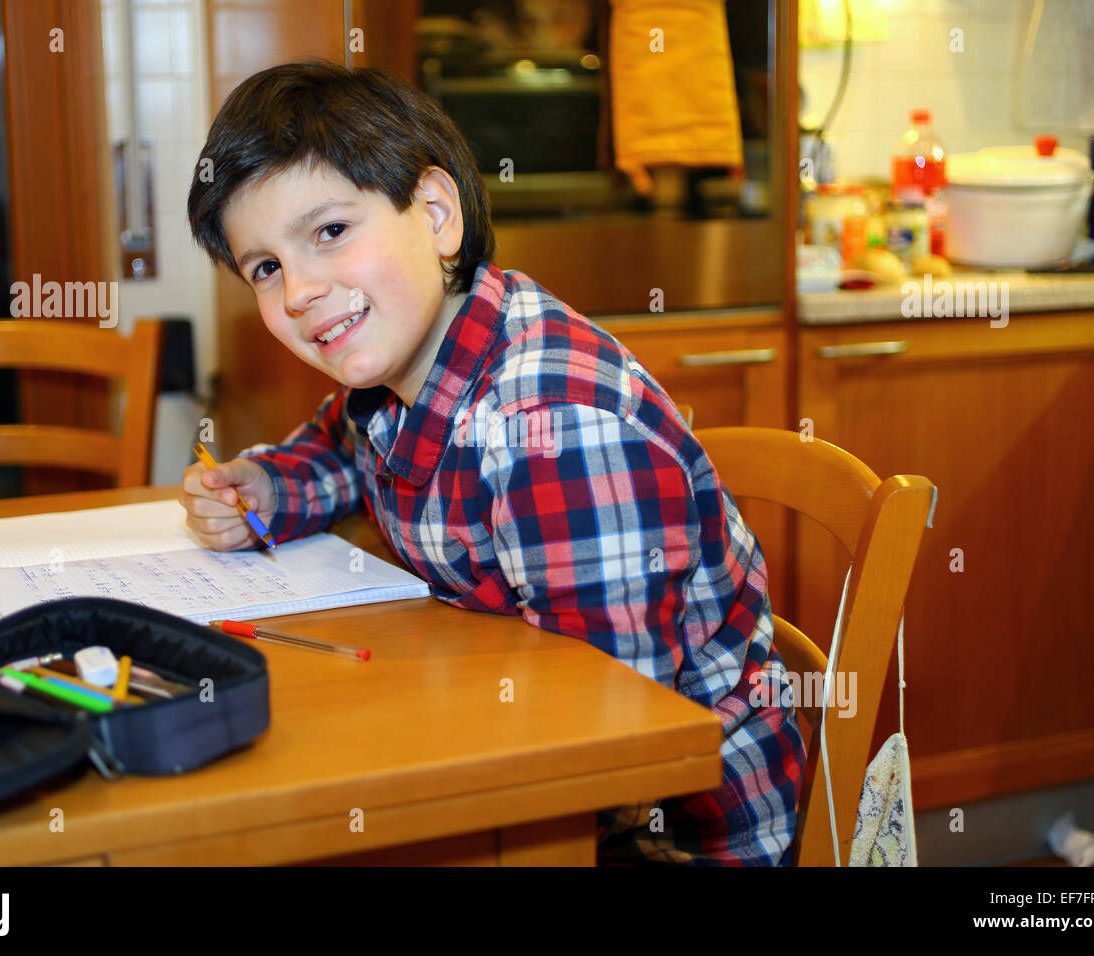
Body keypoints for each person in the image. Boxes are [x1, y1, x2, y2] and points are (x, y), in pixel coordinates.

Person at [179, 60, 804, 865]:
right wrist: (262, 487)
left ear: (437, 214)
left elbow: (608, 745)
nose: (298, 290)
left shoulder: (554, 431)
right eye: (265, 267)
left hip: (674, 838)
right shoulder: (409, 362)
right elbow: (343, 453)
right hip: (522, 735)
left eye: (330, 232)